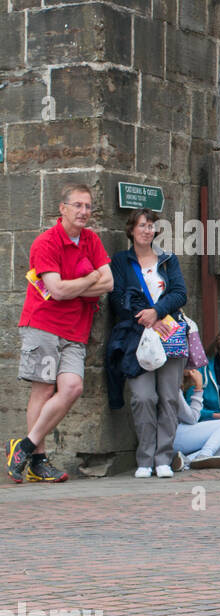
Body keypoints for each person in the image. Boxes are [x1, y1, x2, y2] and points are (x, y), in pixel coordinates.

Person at [8, 183, 114, 483]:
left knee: (72, 388)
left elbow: (109, 283)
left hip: (76, 328)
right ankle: (38, 462)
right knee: (42, 390)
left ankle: (23, 446)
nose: (84, 211)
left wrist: (77, 286)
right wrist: (91, 277)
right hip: (44, 325)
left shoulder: (91, 240)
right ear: (62, 208)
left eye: (88, 206)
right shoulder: (46, 242)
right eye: (78, 205)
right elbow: (55, 290)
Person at [107, 209, 189, 478]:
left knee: (168, 397)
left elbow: (179, 293)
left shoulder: (168, 260)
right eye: (142, 225)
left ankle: (163, 457)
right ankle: (144, 458)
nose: (147, 230)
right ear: (131, 230)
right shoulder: (120, 261)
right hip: (135, 337)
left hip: (168, 334)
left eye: (151, 225)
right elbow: (117, 298)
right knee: (143, 397)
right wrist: (145, 318)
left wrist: (157, 312)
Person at [173, 368, 220, 469]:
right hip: (172, 437)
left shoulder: (172, 380)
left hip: (174, 437)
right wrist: (199, 387)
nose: (194, 368)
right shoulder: (172, 383)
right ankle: (204, 455)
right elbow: (192, 418)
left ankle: (186, 461)